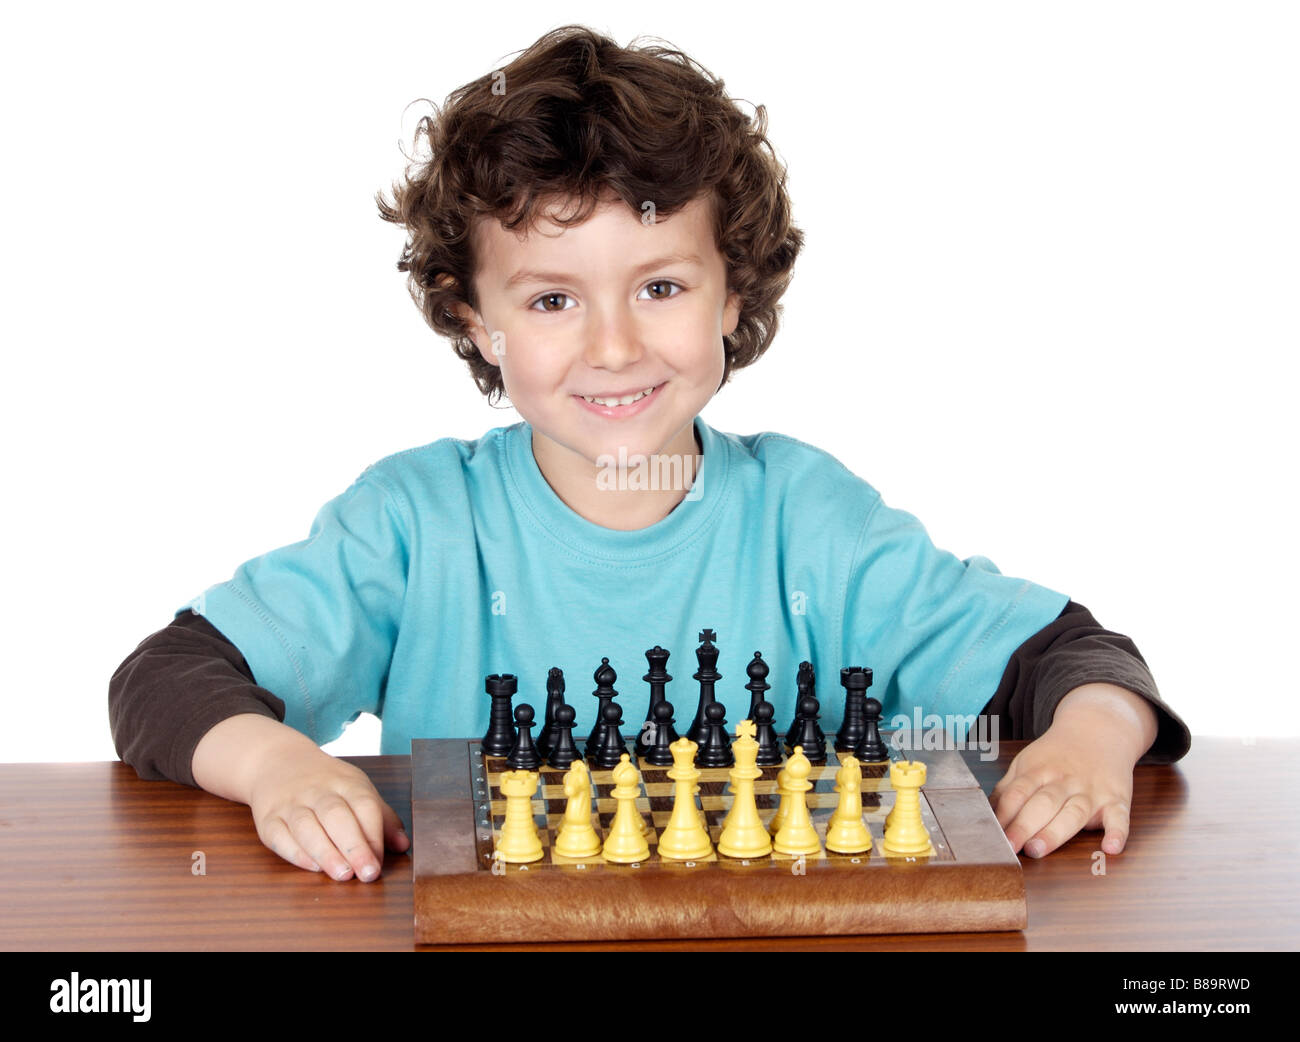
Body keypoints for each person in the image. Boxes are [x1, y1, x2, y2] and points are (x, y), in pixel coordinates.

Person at [109, 25, 1190, 884]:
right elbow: (163, 680)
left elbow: (1074, 658)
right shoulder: (413, 523)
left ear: (734, 292)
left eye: (661, 286)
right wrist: (277, 763)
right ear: (475, 319)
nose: (614, 345)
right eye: (549, 298)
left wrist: (1094, 736)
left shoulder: (806, 518)